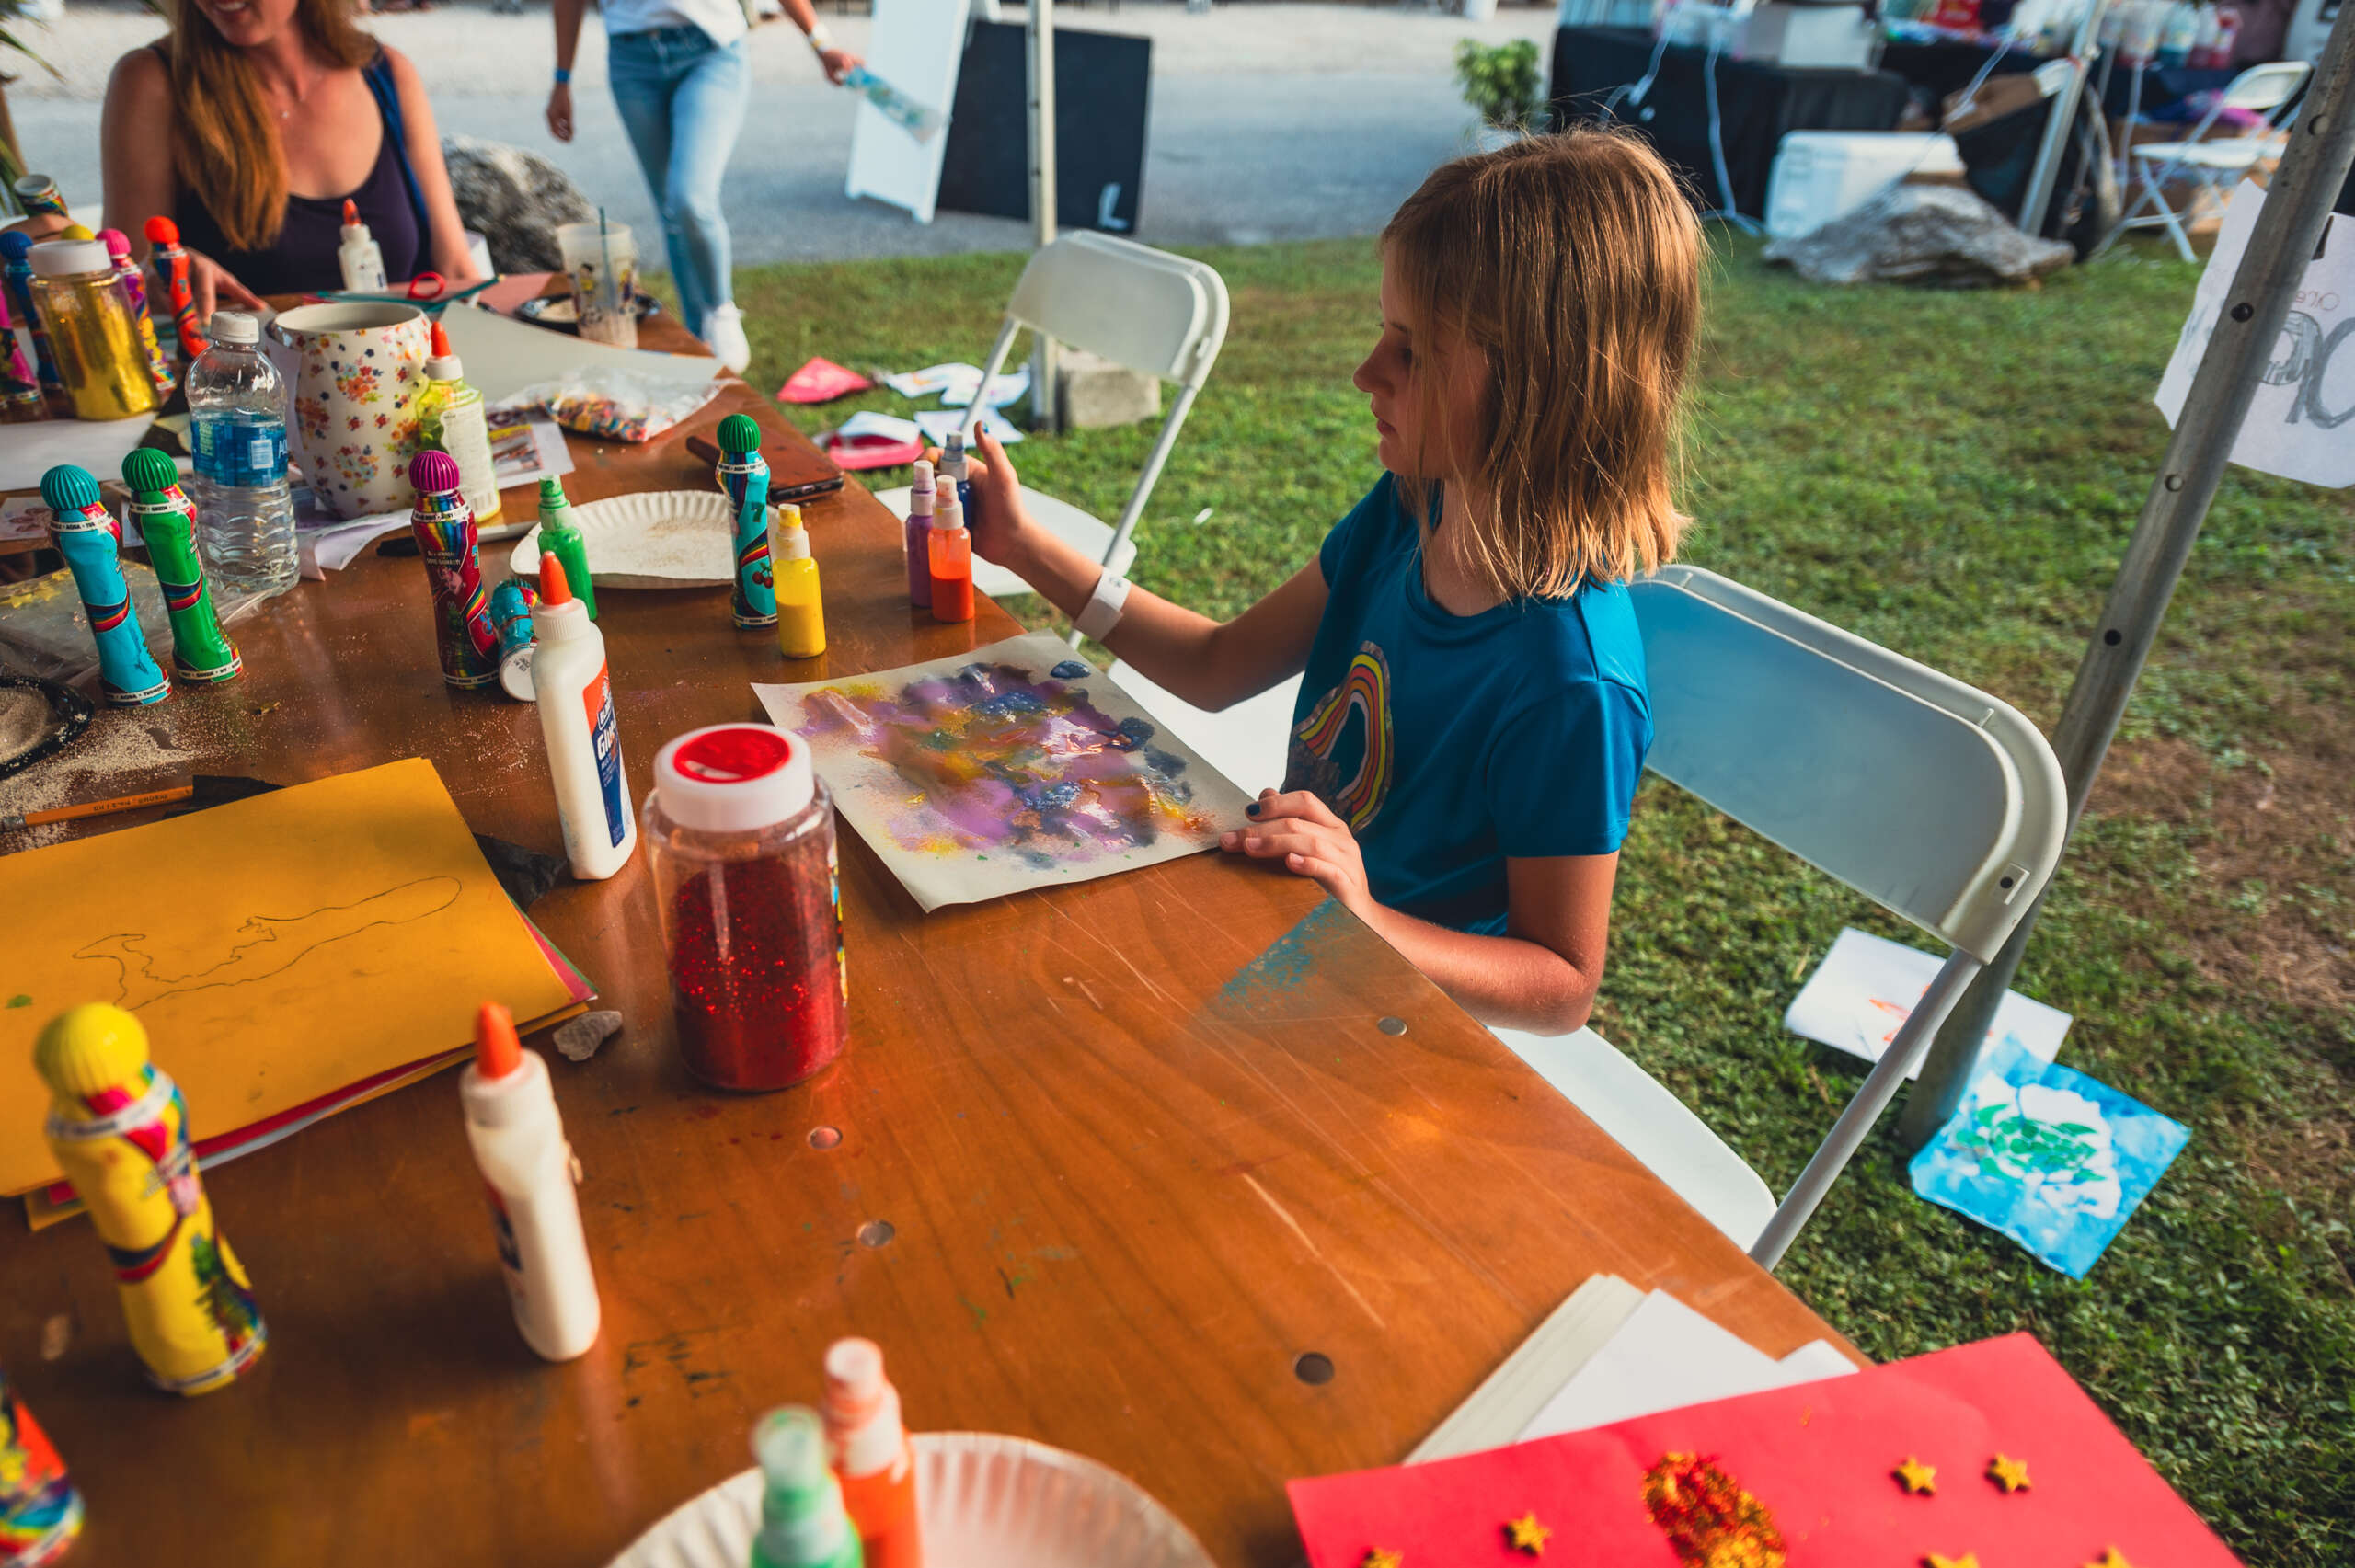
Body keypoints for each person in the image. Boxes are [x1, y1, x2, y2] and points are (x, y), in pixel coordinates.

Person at [949, 131, 1699, 1033]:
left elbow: (1562, 985)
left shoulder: (1569, 681)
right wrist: (1028, 549)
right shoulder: (1410, 509)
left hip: (1404, 1017)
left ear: (1539, 384)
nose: (1364, 375)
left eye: (1412, 352)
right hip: (1296, 940)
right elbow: (1217, 664)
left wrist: (1367, 920)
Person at [99, 0, 483, 316]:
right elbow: (128, 285)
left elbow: (455, 270)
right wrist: (165, 270)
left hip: (405, 386)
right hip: (252, 400)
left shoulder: (386, 73)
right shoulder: (152, 81)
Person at [546, 0, 860, 373]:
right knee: (670, 210)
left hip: (710, 53)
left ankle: (720, 309)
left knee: (690, 199)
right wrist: (562, 80)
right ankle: (698, 340)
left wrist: (821, 43)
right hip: (632, 62)